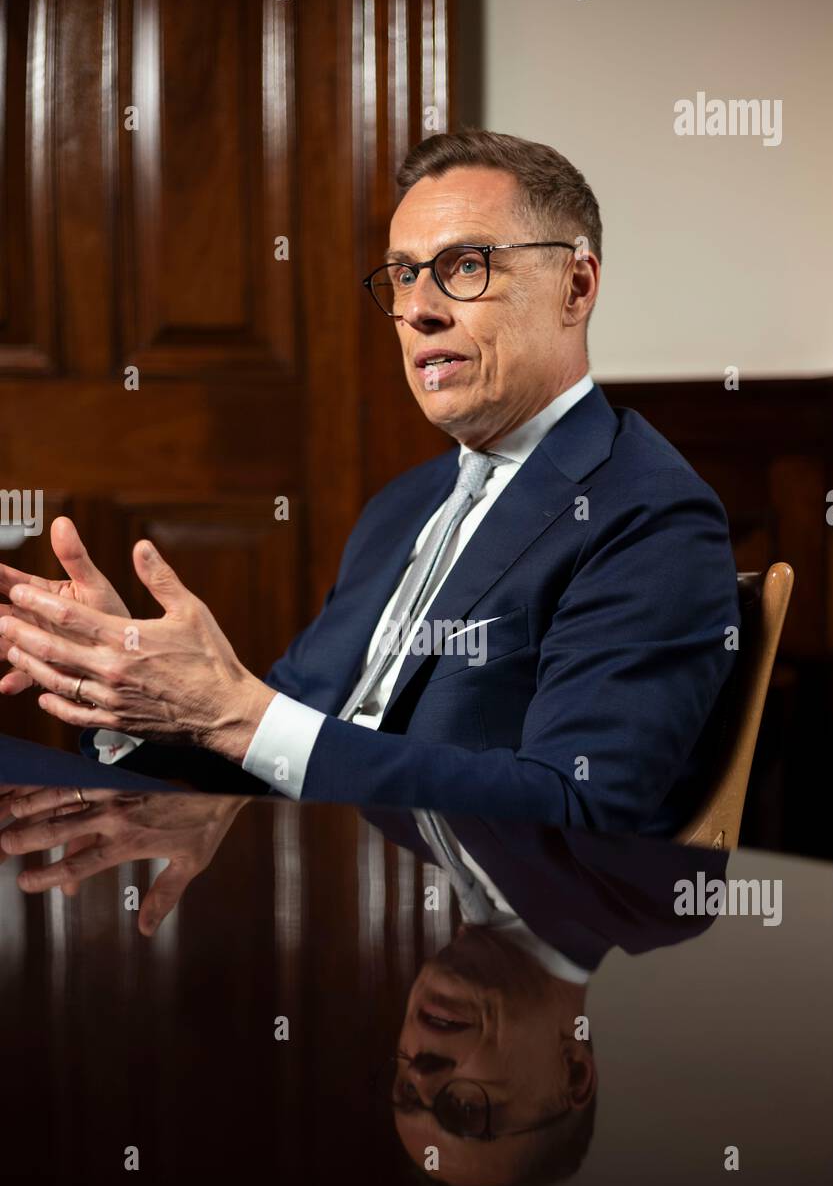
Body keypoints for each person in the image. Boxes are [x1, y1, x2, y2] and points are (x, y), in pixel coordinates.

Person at [0, 129, 739, 833]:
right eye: (405, 274)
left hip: (452, 918)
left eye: (466, 265)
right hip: (295, 877)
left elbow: (576, 814)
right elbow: (281, 741)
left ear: (575, 287)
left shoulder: (648, 514)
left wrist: (234, 711)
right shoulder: (405, 505)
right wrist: (123, 688)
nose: (417, 309)